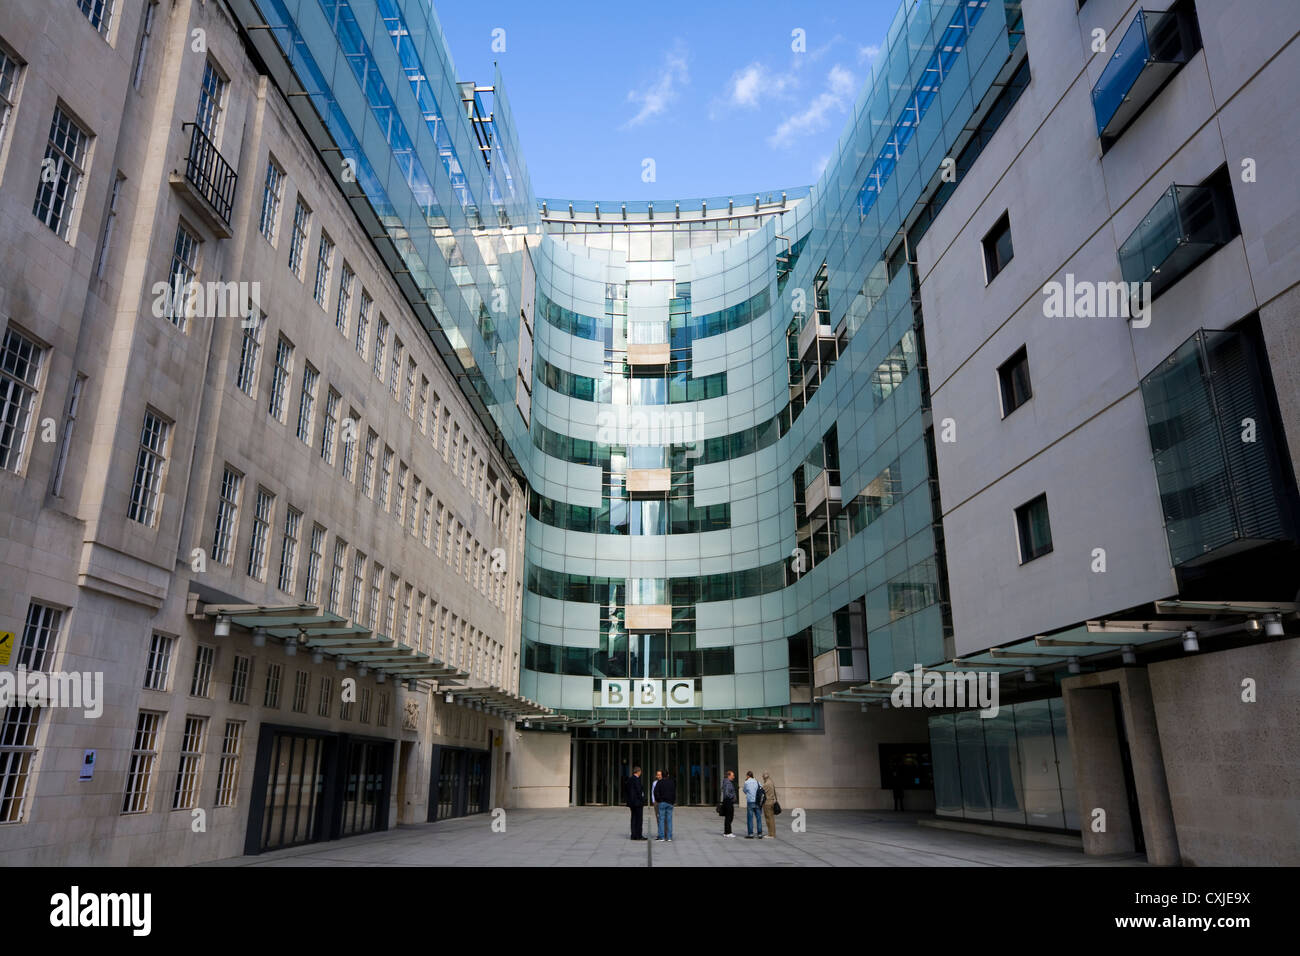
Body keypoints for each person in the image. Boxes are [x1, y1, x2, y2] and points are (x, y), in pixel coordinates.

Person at [625, 766, 646, 840]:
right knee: (639, 819)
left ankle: (633, 835)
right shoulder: (637, 780)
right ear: (638, 772)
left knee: (633, 819)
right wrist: (643, 799)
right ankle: (638, 835)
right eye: (640, 771)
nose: (641, 773)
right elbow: (639, 791)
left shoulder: (630, 779)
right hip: (637, 803)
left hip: (631, 803)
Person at [742, 770, 764, 839]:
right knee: (758, 817)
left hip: (750, 801)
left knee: (750, 818)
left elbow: (744, 790)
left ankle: (751, 834)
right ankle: (759, 834)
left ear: (748, 776)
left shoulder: (746, 782)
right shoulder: (757, 782)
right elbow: (761, 789)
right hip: (757, 802)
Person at [656, 770, 676, 842]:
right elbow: (674, 792)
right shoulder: (671, 782)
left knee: (661, 820)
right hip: (670, 803)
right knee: (669, 820)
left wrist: (659, 800)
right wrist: (673, 801)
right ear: (668, 775)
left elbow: (656, 792)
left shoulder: (659, 782)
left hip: (662, 802)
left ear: (662, 775)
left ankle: (661, 837)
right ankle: (669, 837)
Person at [720, 770, 737, 838]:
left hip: (727, 801)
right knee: (729, 817)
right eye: (732, 775)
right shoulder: (727, 783)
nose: (734, 777)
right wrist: (733, 797)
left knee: (728, 817)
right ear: (729, 775)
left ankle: (726, 832)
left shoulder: (727, 782)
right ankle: (728, 832)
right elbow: (727, 793)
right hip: (728, 801)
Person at [761, 772, 778, 838]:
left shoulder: (766, 784)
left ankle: (771, 834)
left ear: (764, 777)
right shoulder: (771, 782)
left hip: (767, 803)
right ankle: (772, 833)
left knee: (768, 819)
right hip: (772, 801)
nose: (762, 778)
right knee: (772, 818)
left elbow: (761, 791)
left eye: (762, 776)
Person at [650, 770, 663, 840]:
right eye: (657, 775)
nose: (659, 776)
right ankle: (660, 833)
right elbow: (652, 792)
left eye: (660, 775)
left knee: (664, 818)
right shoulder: (654, 783)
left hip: (663, 802)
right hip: (656, 803)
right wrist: (653, 801)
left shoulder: (664, 782)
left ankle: (664, 833)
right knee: (658, 818)